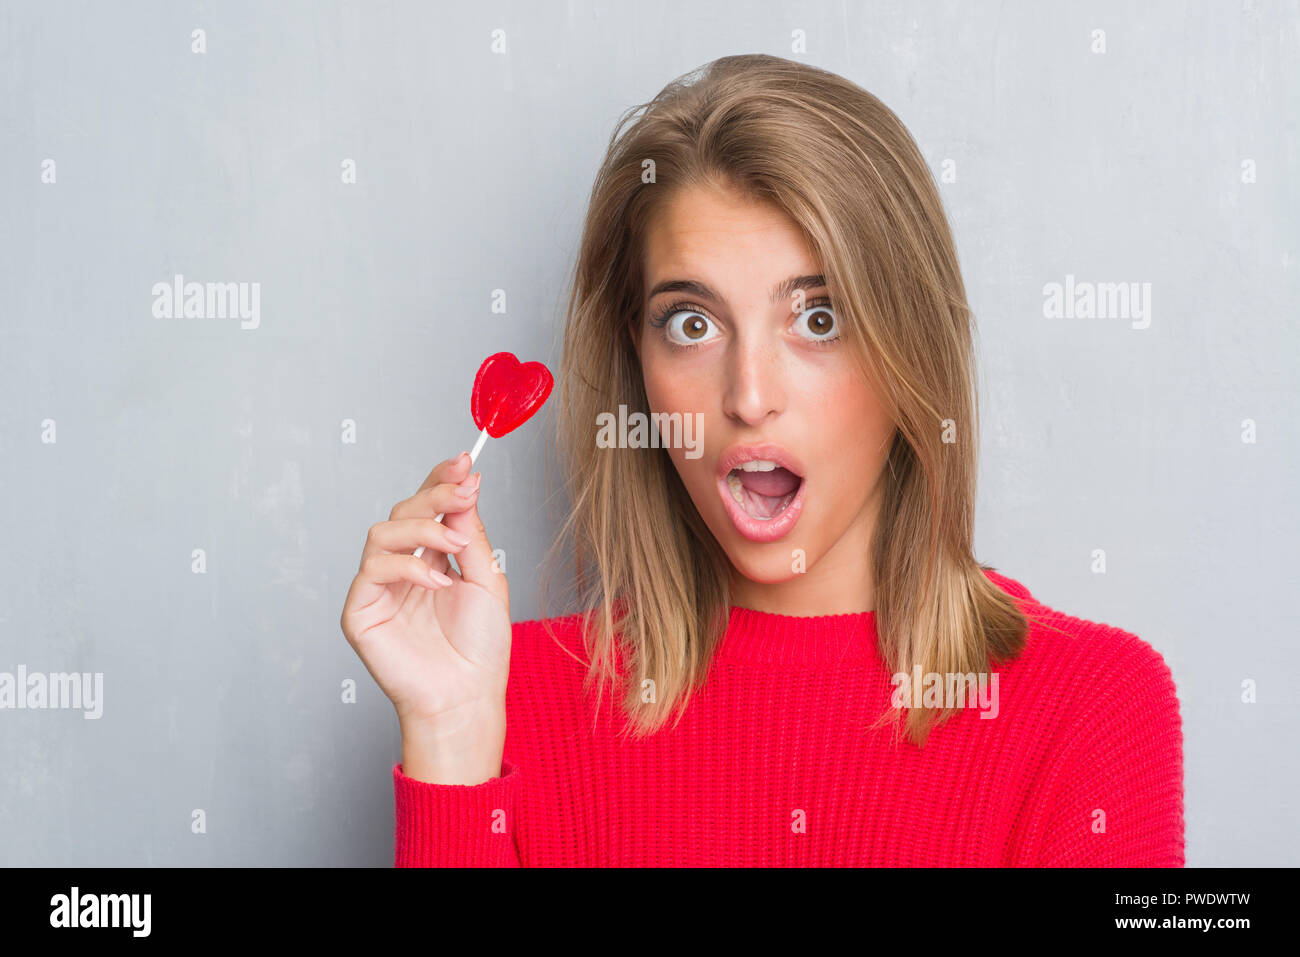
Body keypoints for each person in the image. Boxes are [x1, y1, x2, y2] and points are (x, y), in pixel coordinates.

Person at [339, 54, 1184, 867]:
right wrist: (450, 737)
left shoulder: (1090, 708)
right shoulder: (501, 696)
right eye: (691, 323)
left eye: (818, 319)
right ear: (637, 362)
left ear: (911, 351)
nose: (748, 395)